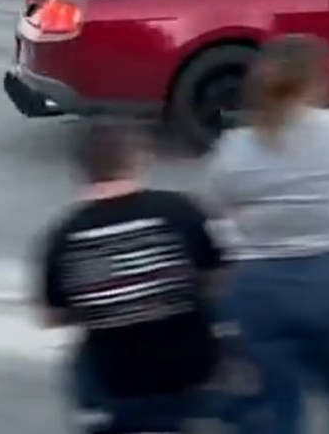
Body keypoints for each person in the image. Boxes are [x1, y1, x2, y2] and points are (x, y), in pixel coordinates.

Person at [206, 34, 329, 434]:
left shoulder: (235, 146)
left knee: (278, 405)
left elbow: (217, 208)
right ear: (318, 79)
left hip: (263, 286)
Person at [31, 119, 227, 434]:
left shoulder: (65, 236)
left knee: (82, 357)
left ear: (82, 172)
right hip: (190, 371)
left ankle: (96, 420)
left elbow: (50, 316)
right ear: (138, 160)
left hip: (117, 380)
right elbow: (218, 276)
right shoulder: (178, 210)